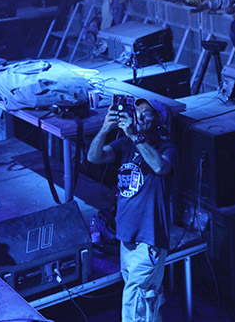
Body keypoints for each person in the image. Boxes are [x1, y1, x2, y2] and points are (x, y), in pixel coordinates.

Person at [87, 98, 177, 322]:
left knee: (136, 307)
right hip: (127, 239)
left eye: (146, 114)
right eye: (137, 112)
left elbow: (160, 166)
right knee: (143, 305)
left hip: (148, 240)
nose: (139, 117)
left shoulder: (167, 149)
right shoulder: (126, 145)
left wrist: (136, 135)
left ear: (159, 121)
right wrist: (106, 127)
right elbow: (93, 157)